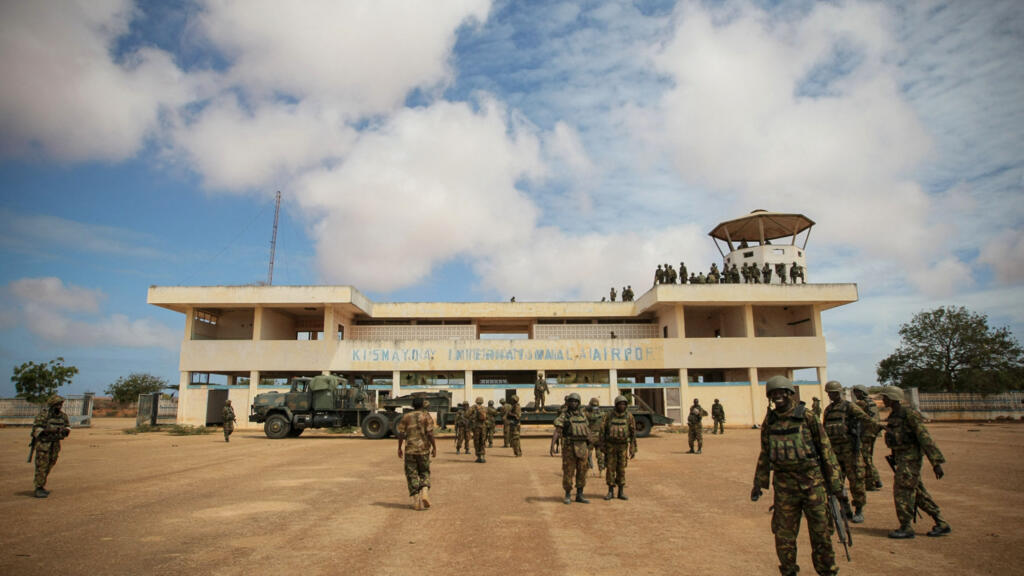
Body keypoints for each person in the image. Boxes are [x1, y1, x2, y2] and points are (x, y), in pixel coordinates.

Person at [751, 376, 843, 576]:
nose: (777, 397)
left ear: (790, 393)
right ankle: (789, 571)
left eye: (781, 393)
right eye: (773, 394)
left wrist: (835, 483)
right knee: (783, 536)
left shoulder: (807, 417)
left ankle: (827, 571)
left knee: (821, 534)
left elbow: (825, 449)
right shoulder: (770, 421)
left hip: (812, 484)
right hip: (784, 487)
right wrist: (759, 482)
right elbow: (765, 453)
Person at [879, 386, 951, 538]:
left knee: (902, 492)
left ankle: (906, 527)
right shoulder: (894, 416)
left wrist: (936, 463)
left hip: (910, 459)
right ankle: (941, 522)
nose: (883, 399)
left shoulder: (908, 414)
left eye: (885, 397)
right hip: (901, 458)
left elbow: (924, 438)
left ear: (892, 398)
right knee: (917, 492)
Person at [822, 380, 876, 523]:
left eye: (833, 392)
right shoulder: (828, 410)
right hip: (835, 452)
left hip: (850, 451)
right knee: (835, 483)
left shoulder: (849, 407)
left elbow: (866, 419)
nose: (831, 395)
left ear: (839, 392)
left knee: (856, 481)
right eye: (829, 393)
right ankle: (845, 508)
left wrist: (865, 437)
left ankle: (859, 510)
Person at [397, 396, 437, 511]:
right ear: (422, 405)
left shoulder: (406, 416)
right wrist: (434, 447)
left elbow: (401, 434)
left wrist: (399, 448)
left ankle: (416, 502)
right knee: (424, 472)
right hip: (423, 450)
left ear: (412, 405)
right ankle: (425, 492)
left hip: (410, 450)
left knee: (411, 474)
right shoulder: (426, 416)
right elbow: (430, 434)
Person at [551, 393, 591, 504]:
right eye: (571, 401)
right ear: (568, 403)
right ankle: (568, 494)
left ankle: (580, 494)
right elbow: (558, 430)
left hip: (582, 448)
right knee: (568, 471)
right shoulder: (564, 415)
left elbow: (587, 431)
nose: (573, 403)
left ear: (579, 403)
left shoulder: (583, 415)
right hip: (569, 448)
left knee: (582, 471)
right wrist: (553, 444)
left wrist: (591, 445)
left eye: (576, 401)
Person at [31, 395, 71, 498]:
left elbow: (67, 427)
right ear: (52, 405)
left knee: (51, 463)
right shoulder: (44, 415)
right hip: (44, 444)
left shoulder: (62, 416)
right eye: (57, 404)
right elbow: (36, 429)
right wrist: (47, 431)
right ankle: (38, 487)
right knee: (41, 466)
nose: (59, 406)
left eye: (60, 404)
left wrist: (65, 431)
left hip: (55, 444)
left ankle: (41, 484)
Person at [602, 395, 637, 500]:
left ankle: (621, 492)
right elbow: (602, 431)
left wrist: (633, 447)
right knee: (610, 468)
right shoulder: (608, 416)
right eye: (620, 404)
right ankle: (610, 491)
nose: (622, 406)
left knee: (621, 469)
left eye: (624, 404)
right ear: (616, 405)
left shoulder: (629, 416)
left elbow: (633, 432)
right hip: (610, 446)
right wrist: (602, 445)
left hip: (622, 447)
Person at [852, 385, 883, 490]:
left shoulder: (861, 403)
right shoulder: (871, 402)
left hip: (866, 433)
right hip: (873, 433)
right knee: (868, 456)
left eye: (857, 392)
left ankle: (872, 482)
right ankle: (876, 479)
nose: (856, 395)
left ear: (862, 392)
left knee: (865, 458)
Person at [466, 397, 489, 463]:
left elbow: (467, 415)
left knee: (477, 441)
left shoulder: (473, 407)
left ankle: (479, 456)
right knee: (483, 441)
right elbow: (487, 417)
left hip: (476, 427)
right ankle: (482, 456)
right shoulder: (484, 408)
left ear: (476, 401)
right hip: (483, 427)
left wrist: (472, 418)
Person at [586, 397, 605, 475]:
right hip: (596, 437)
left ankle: (591, 469)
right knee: (597, 454)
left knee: (591, 454)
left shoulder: (587, 414)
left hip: (592, 436)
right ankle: (601, 470)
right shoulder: (602, 414)